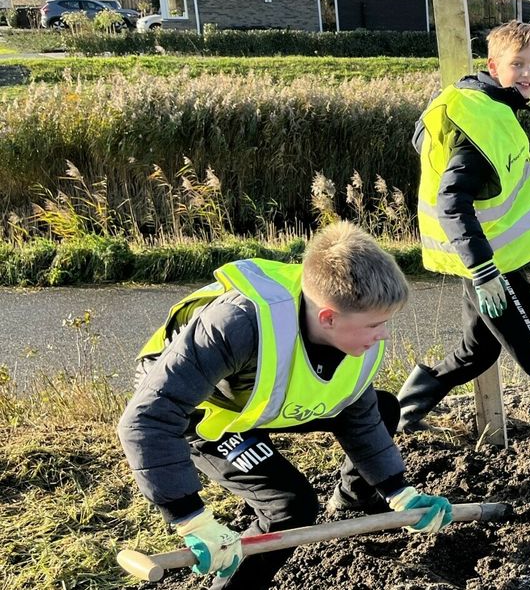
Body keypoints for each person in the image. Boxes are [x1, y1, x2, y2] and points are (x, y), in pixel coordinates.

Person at [117, 222, 453, 589]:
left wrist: (400, 492)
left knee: (381, 406)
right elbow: (147, 419)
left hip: (260, 399)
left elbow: (359, 416)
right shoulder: (238, 325)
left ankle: (355, 501)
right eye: (376, 324)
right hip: (205, 411)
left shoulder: (354, 331)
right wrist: (191, 519)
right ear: (328, 317)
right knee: (290, 505)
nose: (384, 334)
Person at [400, 20, 530, 447]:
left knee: (478, 351)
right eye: (518, 64)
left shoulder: (487, 105)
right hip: (490, 268)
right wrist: (484, 273)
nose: (528, 74)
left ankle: (399, 413)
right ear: (493, 65)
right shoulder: (481, 123)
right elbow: (451, 201)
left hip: (490, 261)